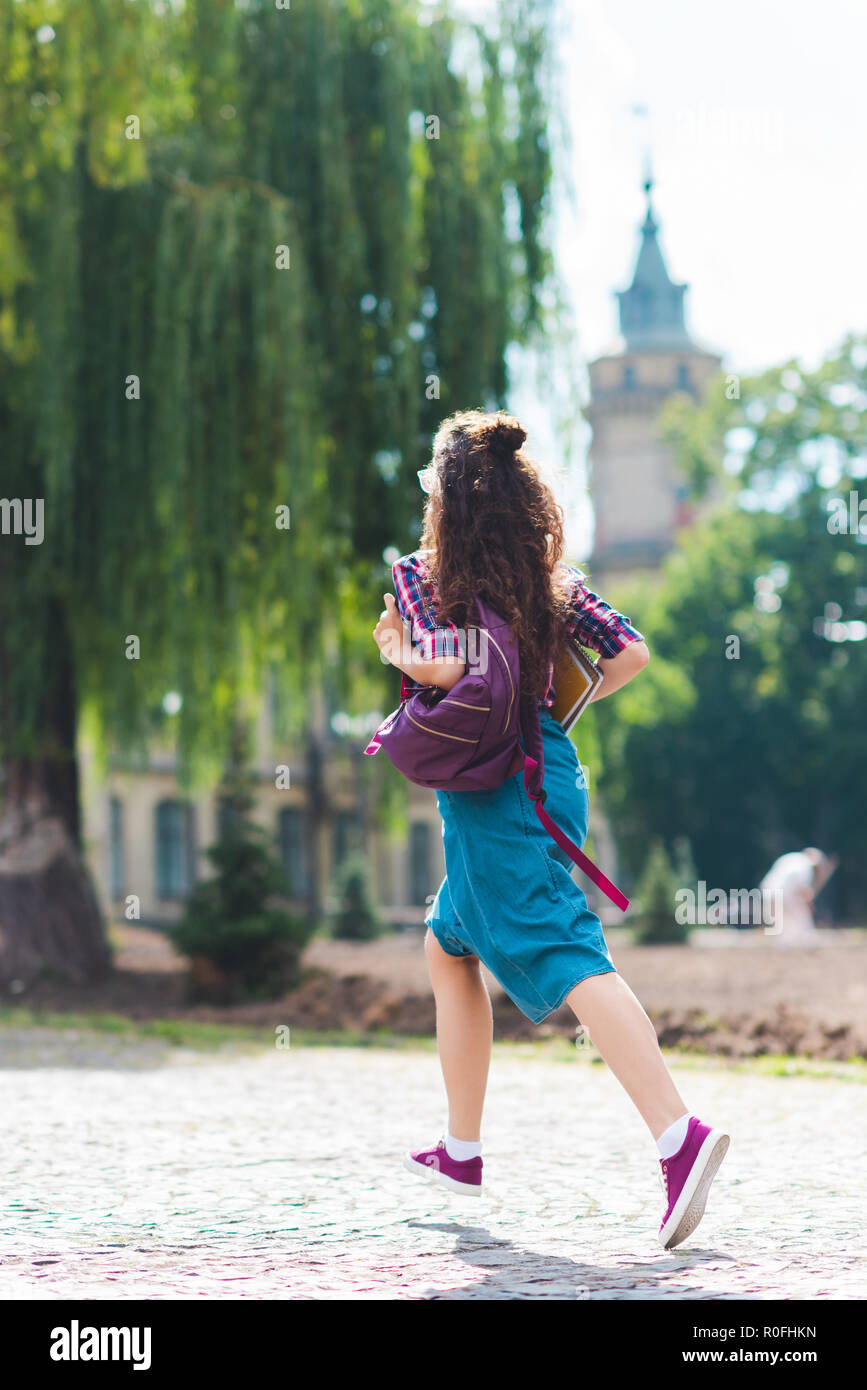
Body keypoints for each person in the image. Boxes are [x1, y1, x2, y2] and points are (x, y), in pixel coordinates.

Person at [371, 409, 730, 1251]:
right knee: (447, 941)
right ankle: (461, 1149)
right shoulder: (549, 578)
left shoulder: (425, 574)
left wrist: (397, 651)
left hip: (489, 792)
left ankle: (679, 1138)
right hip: (550, 770)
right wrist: (549, 705)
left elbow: (446, 666)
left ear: (446, 502)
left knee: (565, 948)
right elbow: (628, 654)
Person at [760, 848, 837, 944]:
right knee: (803, 920)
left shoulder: (791, 857)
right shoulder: (806, 864)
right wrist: (810, 906)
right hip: (785, 894)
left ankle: (783, 948)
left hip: (768, 891)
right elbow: (803, 890)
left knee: (785, 926)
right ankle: (810, 944)